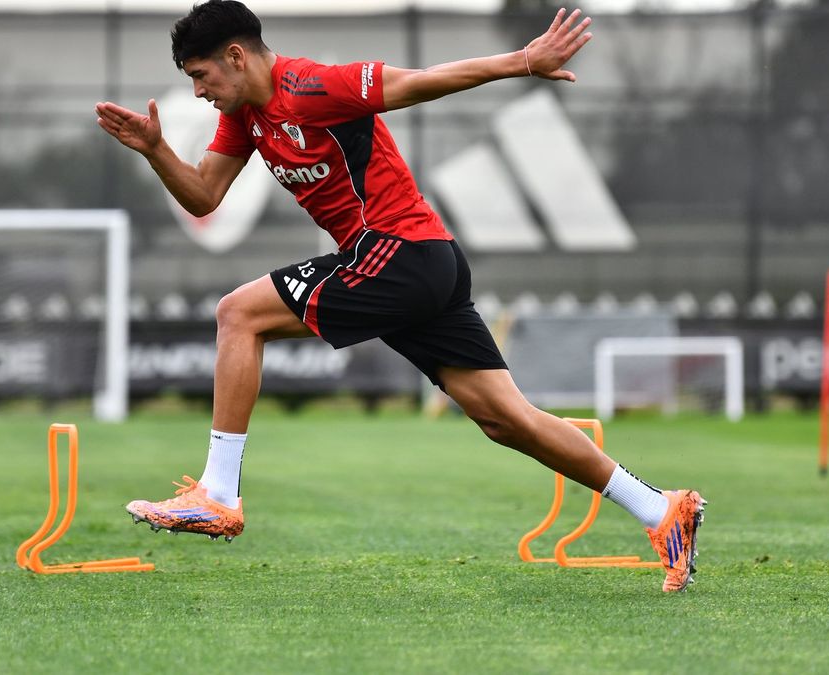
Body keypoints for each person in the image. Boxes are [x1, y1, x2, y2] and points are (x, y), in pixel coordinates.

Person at [96, 0, 705, 592]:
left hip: (400, 254)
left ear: (235, 56)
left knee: (237, 314)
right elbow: (204, 197)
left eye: (202, 77)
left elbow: (419, 81)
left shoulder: (311, 86)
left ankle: (218, 493)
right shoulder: (245, 117)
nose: (199, 92)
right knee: (506, 420)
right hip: (415, 264)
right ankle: (662, 511)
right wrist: (155, 150)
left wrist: (523, 60)